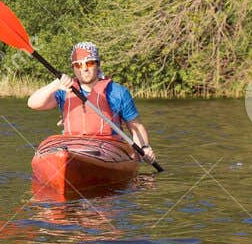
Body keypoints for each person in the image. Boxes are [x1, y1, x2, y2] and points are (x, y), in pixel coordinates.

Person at [26, 41, 155, 164]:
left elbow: (136, 127)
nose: (84, 69)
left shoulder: (118, 92)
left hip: (109, 146)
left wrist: (145, 147)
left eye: (89, 63)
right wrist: (56, 84)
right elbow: (33, 103)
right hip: (72, 145)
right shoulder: (64, 90)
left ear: (98, 64)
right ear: (73, 68)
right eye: (78, 65)